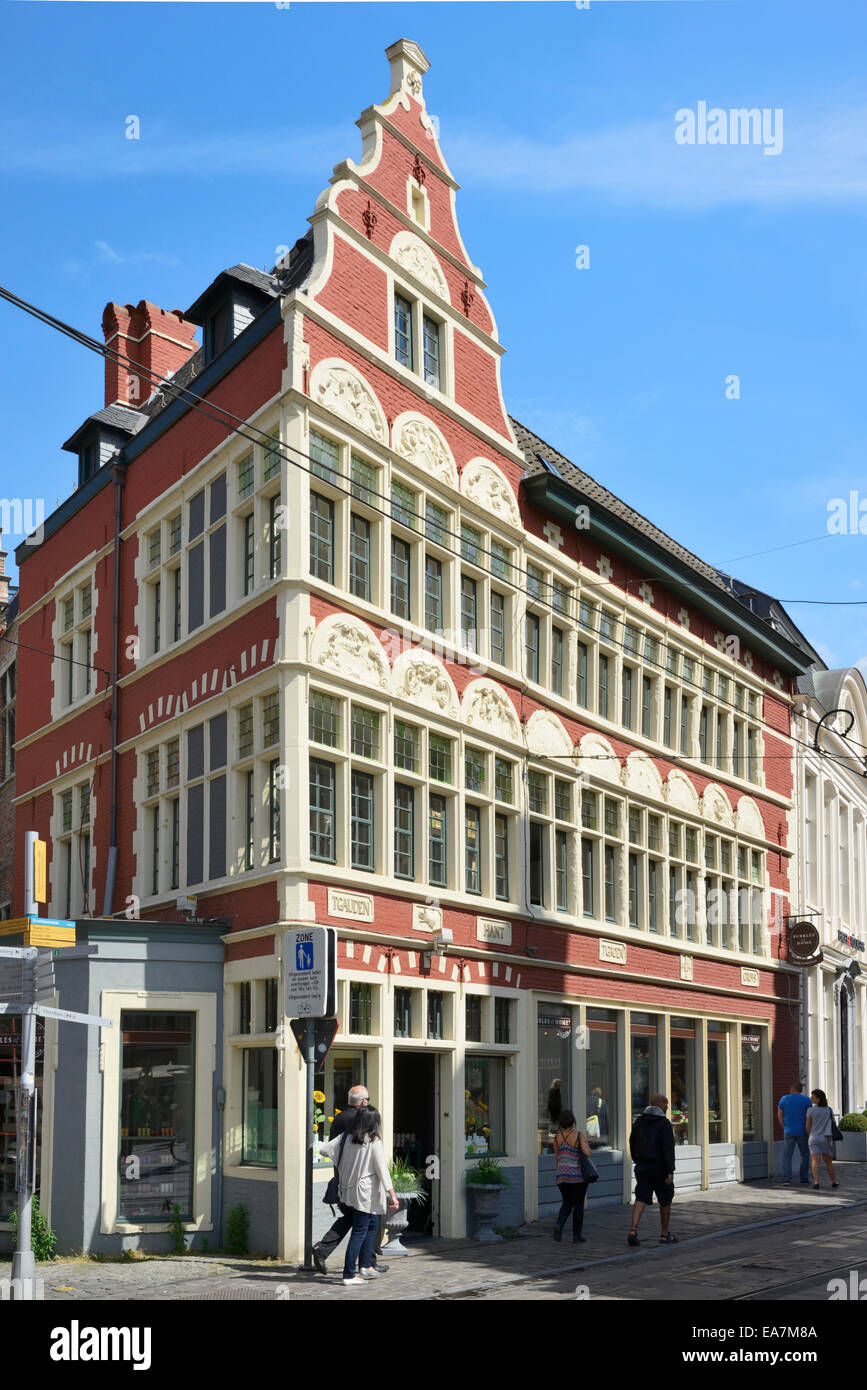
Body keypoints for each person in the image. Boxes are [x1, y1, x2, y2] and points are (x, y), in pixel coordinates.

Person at [312, 1084, 389, 1275]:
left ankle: (360, 1260)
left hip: (342, 1177)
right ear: (363, 1102)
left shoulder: (339, 1117)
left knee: (355, 1219)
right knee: (366, 1220)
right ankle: (363, 1265)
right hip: (358, 1182)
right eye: (368, 1100)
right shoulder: (359, 1120)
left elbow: (332, 1149)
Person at [318, 1106, 399, 1286]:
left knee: (373, 1223)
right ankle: (348, 1274)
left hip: (348, 1189)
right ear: (373, 1122)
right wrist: (392, 1194)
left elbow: (324, 1150)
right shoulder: (372, 1141)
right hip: (365, 1192)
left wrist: (345, 1161)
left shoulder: (345, 1138)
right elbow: (382, 1170)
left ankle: (365, 1265)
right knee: (359, 1231)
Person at [628, 1093, 677, 1246]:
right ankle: (664, 1234)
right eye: (666, 1104)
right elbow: (668, 1148)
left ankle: (633, 1230)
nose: (667, 1107)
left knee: (641, 1197)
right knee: (665, 1199)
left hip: (642, 1166)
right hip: (660, 1168)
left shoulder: (639, 1121)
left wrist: (637, 1160)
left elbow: (632, 1141)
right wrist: (670, 1171)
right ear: (659, 1104)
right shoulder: (664, 1124)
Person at [552, 1110, 592, 1243]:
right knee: (578, 1204)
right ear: (572, 1121)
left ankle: (559, 1225)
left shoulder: (557, 1137)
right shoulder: (578, 1135)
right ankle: (576, 1236)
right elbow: (587, 1153)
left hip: (561, 1175)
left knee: (567, 1202)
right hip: (577, 1175)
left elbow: (558, 1157)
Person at [777, 1082, 811, 1185]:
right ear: (801, 1089)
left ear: (792, 1088)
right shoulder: (807, 1100)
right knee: (805, 1154)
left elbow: (779, 1115)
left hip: (789, 1130)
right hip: (803, 1131)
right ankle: (804, 1177)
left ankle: (786, 1178)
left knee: (787, 1155)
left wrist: (784, 1126)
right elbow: (809, 1117)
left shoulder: (784, 1099)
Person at [806, 1088, 840, 1190]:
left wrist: (810, 1135)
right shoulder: (828, 1110)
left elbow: (807, 1126)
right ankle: (834, 1181)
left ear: (818, 1099)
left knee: (815, 1161)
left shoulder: (810, 1110)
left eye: (813, 1096)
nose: (811, 1098)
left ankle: (816, 1182)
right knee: (828, 1161)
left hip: (814, 1137)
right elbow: (833, 1122)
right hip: (826, 1138)